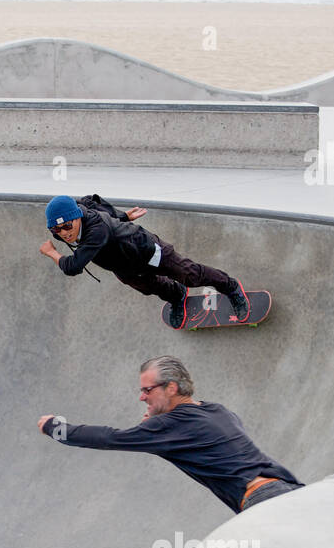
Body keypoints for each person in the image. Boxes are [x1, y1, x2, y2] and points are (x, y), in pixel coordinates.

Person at [38, 355, 302, 514]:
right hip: (291, 489)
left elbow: (110, 438)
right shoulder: (217, 411)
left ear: (172, 387)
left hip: (262, 501)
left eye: (147, 390)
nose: (141, 397)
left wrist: (54, 427)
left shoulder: (166, 427)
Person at [39, 194, 248, 329]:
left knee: (190, 275)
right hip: (122, 266)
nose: (64, 234)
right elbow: (96, 202)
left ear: (77, 217)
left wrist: (51, 253)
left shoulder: (96, 231)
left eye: (67, 227)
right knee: (150, 287)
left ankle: (231, 287)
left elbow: (73, 266)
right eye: (56, 230)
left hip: (146, 250)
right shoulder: (80, 209)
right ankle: (177, 296)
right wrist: (123, 217)